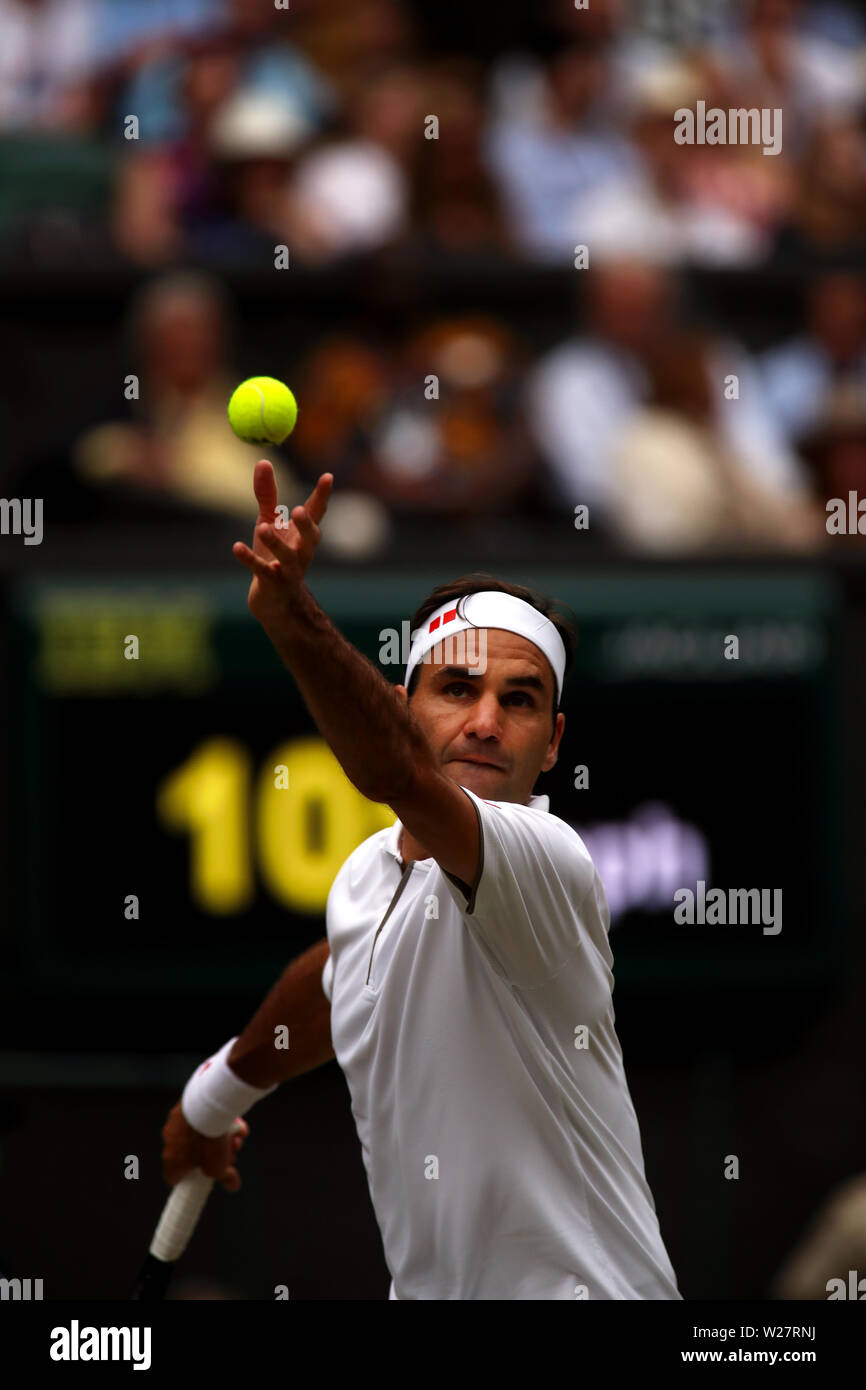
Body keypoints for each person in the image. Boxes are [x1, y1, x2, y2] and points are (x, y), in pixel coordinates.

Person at [161, 462, 682, 1300]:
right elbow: (339, 979)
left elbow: (397, 772)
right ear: (408, 704)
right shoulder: (370, 878)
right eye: (457, 688)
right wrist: (211, 1099)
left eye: (519, 701)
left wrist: (292, 615)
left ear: (552, 743)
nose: (484, 721)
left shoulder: (544, 857)